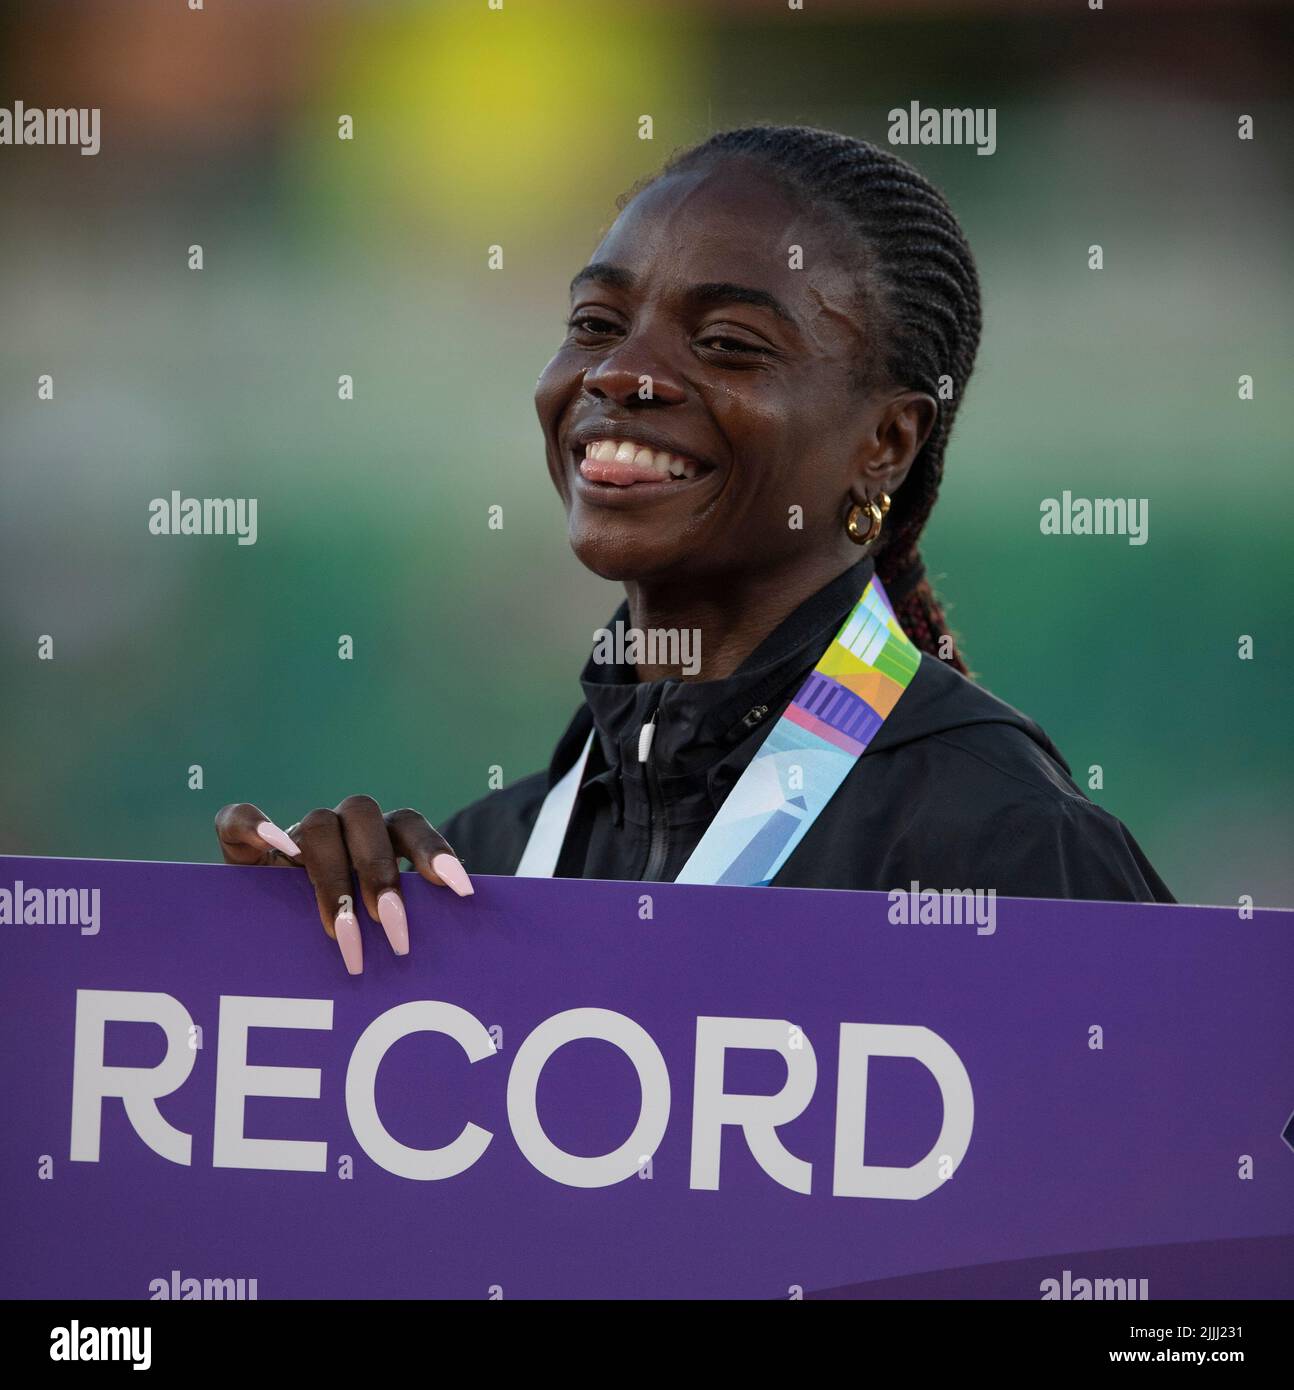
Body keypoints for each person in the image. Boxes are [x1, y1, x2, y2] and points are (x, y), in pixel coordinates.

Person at [216, 125, 1174, 974]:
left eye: (726, 342)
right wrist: (276, 946)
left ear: (885, 444)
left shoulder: (1007, 853)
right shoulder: (481, 870)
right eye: (595, 324)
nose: (622, 371)